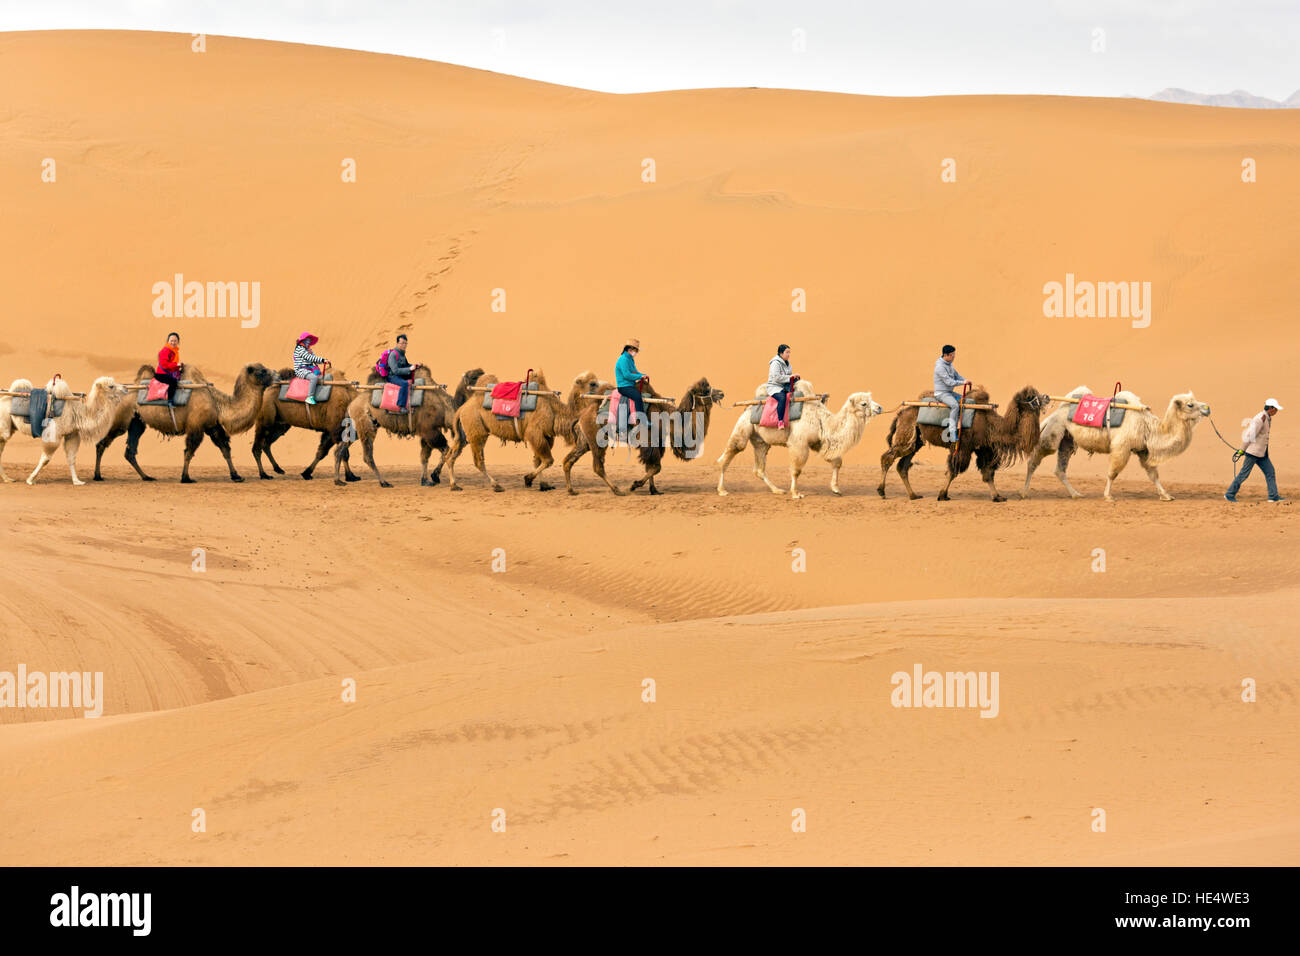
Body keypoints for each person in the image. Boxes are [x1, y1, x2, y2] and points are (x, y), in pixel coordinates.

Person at [1226, 398, 1285, 502]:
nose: (1276, 411)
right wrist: (1242, 450)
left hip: (1262, 453)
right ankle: (1229, 494)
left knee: (1270, 472)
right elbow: (1249, 435)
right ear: (1270, 408)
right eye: (1276, 409)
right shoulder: (1260, 419)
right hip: (1253, 453)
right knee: (1244, 474)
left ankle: (1273, 496)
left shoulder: (1267, 417)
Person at [933, 344, 969, 442]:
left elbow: (956, 376)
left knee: (965, 400)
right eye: (952, 355)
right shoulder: (940, 367)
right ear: (946, 355)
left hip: (949, 392)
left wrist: (965, 380)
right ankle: (952, 433)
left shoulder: (949, 365)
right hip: (941, 393)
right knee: (955, 406)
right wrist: (962, 383)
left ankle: (961, 426)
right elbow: (949, 382)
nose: (954, 357)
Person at [615, 337, 648, 428]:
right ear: (630, 349)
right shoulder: (623, 360)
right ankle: (642, 420)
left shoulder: (630, 359)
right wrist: (639, 376)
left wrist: (643, 375)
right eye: (636, 350)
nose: (636, 353)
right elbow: (627, 375)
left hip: (630, 385)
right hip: (624, 387)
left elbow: (635, 372)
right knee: (637, 396)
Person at [293, 332, 330, 405]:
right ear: (302, 340)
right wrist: (322, 360)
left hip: (309, 369)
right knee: (314, 378)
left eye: (309, 340)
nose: (308, 341)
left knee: (320, 377)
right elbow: (310, 357)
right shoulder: (300, 349)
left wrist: (324, 361)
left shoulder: (308, 349)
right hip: (301, 370)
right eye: (307, 339)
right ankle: (309, 397)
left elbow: (314, 359)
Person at [767, 344, 799, 423]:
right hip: (775, 386)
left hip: (784, 386)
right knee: (782, 398)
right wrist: (790, 377)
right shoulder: (775, 363)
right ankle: (780, 420)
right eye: (787, 352)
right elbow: (776, 377)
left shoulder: (788, 364)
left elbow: (788, 376)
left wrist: (794, 377)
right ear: (781, 353)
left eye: (789, 352)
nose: (789, 355)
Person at [386, 334, 417, 409]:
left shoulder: (402, 354)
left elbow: (406, 365)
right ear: (397, 344)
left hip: (400, 375)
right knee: (404, 384)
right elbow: (395, 370)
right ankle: (401, 406)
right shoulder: (393, 355)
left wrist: (415, 366)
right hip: (392, 376)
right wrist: (409, 369)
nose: (404, 345)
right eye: (402, 343)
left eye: (405, 343)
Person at [153, 331, 184, 405]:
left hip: (168, 373)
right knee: (173, 382)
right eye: (171, 341)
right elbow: (165, 365)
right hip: (161, 374)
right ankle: (170, 400)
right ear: (168, 341)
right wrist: (177, 365)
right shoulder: (165, 351)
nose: (173, 342)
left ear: (178, 342)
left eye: (175, 341)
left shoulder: (174, 351)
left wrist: (179, 367)